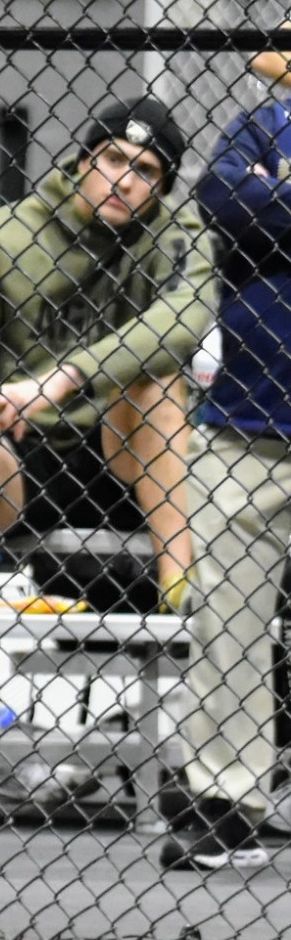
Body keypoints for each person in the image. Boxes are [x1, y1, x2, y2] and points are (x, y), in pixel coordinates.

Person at [0, 97, 211, 729]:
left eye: (145, 171)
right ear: (82, 161)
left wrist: (66, 378)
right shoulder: (2, 235)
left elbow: (185, 321)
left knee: (159, 381)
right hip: (20, 454)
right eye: (112, 159)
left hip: (127, 454)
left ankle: (179, 592)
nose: (125, 179)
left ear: (160, 190)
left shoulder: (177, 234)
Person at [167, 93, 291, 870]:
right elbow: (221, 198)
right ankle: (229, 799)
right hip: (251, 405)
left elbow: (256, 208)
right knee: (229, 618)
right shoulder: (267, 118)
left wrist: (272, 195)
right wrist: (253, 196)